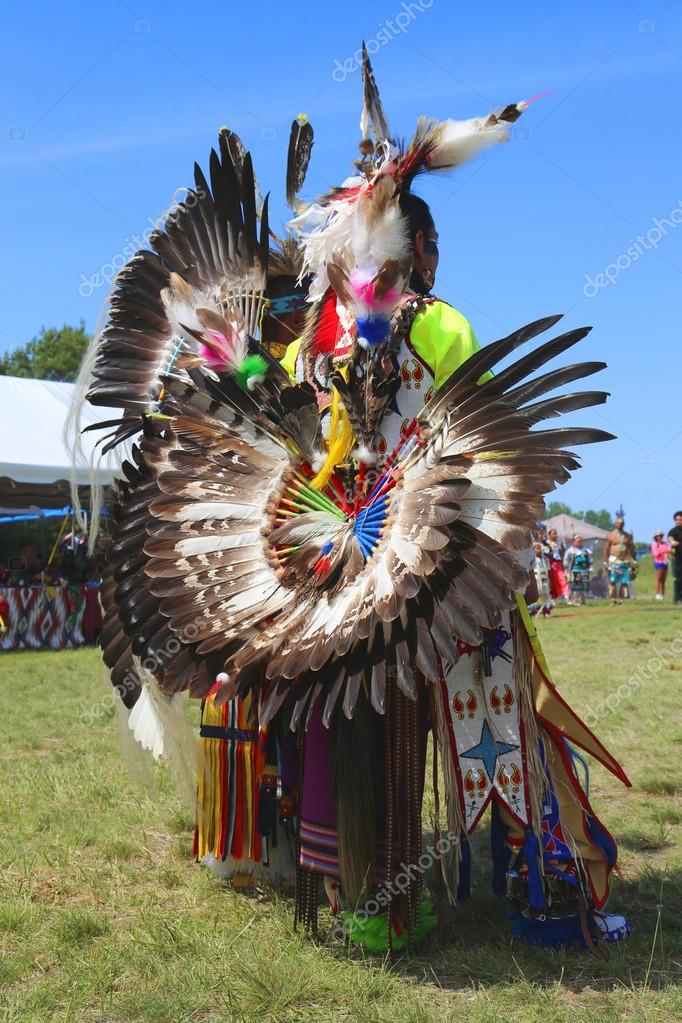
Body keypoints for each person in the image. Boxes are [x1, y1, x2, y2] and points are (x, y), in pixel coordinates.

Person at [83, 48, 630, 954]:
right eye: (432, 245)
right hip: (437, 558)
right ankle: (529, 884)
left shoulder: (310, 347)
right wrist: (503, 551)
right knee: (494, 705)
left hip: (329, 571)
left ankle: (363, 898)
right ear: (419, 250)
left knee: (348, 721)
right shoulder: (441, 323)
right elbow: (485, 448)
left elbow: (295, 433)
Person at [564, 535, 592, 605]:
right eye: (578, 542)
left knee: (584, 585)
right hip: (575, 570)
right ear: (574, 542)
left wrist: (590, 566)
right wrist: (566, 569)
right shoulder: (570, 550)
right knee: (576, 585)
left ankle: (581, 600)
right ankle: (573, 599)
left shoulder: (585, 550)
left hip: (584, 570)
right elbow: (566, 560)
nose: (580, 543)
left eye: (581, 541)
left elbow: (589, 559)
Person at [544, 528, 569, 601]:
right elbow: (546, 553)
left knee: (561, 578)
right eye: (554, 533)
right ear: (549, 535)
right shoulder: (546, 543)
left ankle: (565, 595)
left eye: (556, 533)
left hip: (558, 563)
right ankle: (554, 597)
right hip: (550, 563)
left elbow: (563, 553)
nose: (555, 535)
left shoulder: (559, 543)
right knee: (553, 580)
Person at [530, 541, 553, 616]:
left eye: (540, 548)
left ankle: (546, 610)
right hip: (536, 580)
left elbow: (548, 571)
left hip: (544, 580)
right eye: (537, 548)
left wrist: (550, 581)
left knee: (545, 595)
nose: (539, 550)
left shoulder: (545, 559)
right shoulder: (531, 559)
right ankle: (534, 610)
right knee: (536, 595)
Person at [651, 530, 672, 601]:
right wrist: (664, 551)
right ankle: (657, 594)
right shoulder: (654, 544)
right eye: (658, 536)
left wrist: (663, 551)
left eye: (661, 536)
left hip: (665, 562)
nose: (660, 537)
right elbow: (655, 554)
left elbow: (670, 549)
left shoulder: (665, 543)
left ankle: (663, 594)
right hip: (658, 562)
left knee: (663, 580)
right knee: (658, 579)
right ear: (656, 537)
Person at [668, 511, 682, 604]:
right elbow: (670, 538)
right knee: (678, 579)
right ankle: (677, 598)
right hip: (678, 559)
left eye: (680, 520)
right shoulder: (673, 531)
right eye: (676, 520)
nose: (678, 521)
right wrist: (672, 542)